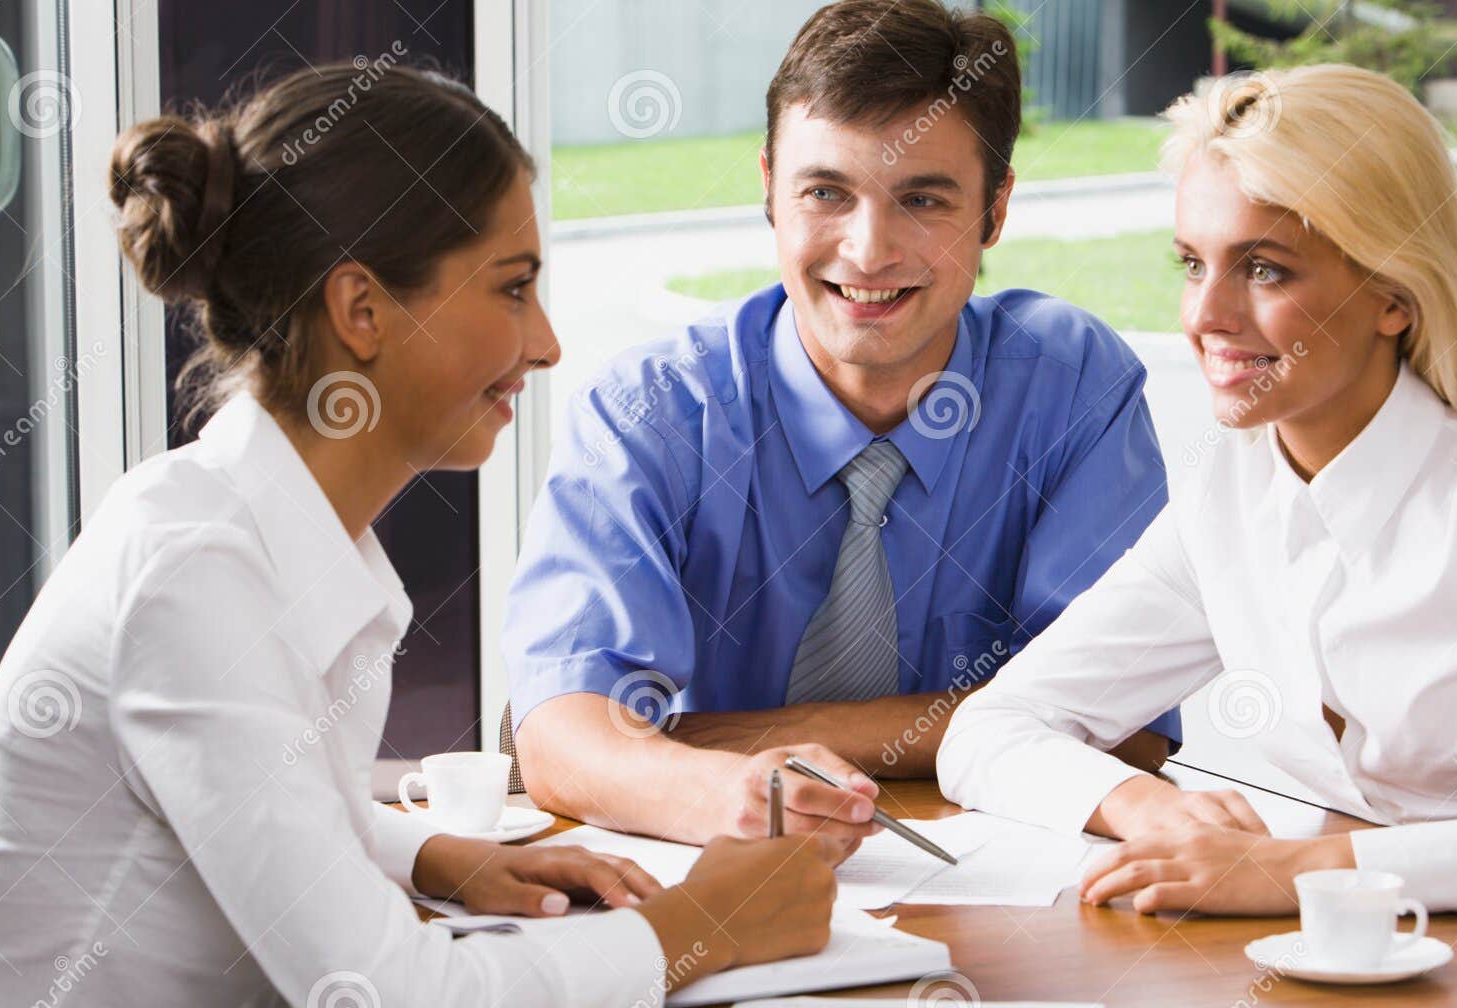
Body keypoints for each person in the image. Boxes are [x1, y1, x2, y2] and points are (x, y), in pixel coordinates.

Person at [0, 64, 838, 1008]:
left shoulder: (262, 533)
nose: (550, 342)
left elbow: (258, 810)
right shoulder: (192, 576)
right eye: (513, 288)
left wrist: (440, 855)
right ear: (362, 309)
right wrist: (702, 926)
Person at [504, 0, 1178, 851]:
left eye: (923, 199)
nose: (868, 251)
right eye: (826, 191)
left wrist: (738, 736)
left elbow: (1125, 724)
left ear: (996, 210)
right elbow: (562, 743)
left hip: (1000, 902)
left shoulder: (1072, 385)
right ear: (768, 191)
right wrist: (994, 725)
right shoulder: (651, 411)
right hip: (717, 883)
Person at [938, 62, 1457, 916]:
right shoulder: (1229, 495)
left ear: (1394, 296)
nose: (1207, 315)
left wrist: (1289, 871)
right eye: (1191, 262)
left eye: (1266, 269)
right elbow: (987, 731)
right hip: (1336, 963)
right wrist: (1156, 810)